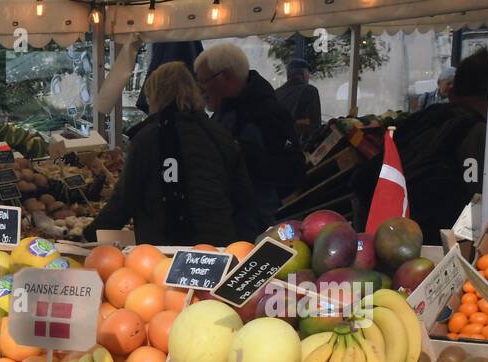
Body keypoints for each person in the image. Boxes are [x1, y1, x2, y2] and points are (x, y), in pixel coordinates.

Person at [85, 63, 257, 246]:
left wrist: (89, 235)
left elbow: (125, 199)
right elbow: (243, 197)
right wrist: (244, 242)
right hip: (219, 244)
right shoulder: (218, 134)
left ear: (157, 96)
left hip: (165, 247)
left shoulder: (148, 137)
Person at [356, 49, 488, 238]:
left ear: (453, 92)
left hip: (392, 231)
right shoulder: (474, 131)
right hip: (436, 239)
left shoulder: (422, 119)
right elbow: (477, 199)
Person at [196, 43, 304, 232]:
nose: (200, 89)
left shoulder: (269, 115)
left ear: (225, 77)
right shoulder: (223, 114)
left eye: (204, 81)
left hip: (257, 229)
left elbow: (292, 172)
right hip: (230, 224)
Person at [276, 58, 322, 140]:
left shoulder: (277, 93)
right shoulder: (310, 90)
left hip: (278, 144)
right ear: (303, 74)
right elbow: (315, 124)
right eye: (308, 74)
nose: (308, 78)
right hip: (297, 147)